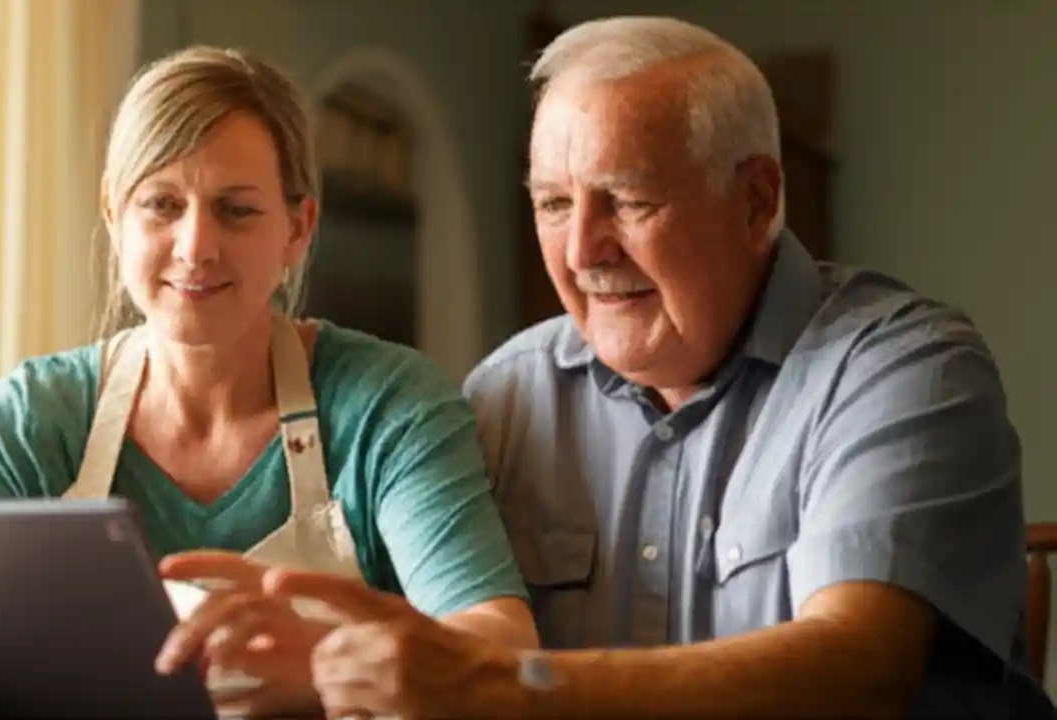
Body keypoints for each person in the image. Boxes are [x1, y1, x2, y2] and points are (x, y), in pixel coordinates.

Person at [237, 16, 1055, 719]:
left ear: (757, 201)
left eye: (628, 200)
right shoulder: (505, 396)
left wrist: (504, 683)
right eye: (554, 204)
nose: (583, 249)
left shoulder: (906, 370)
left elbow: (855, 672)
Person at [0, 45, 536, 720]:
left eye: (237, 209)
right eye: (162, 204)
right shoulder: (26, 424)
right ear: (113, 215)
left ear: (297, 228)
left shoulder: (391, 408)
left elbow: (499, 646)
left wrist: (322, 665)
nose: (195, 247)